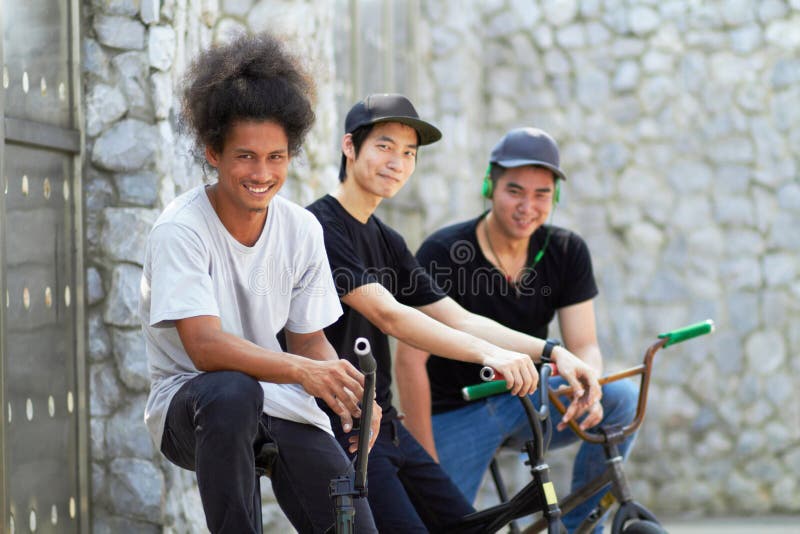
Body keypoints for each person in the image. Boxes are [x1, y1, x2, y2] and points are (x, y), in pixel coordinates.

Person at [306, 94, 601, 533]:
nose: (398, 162)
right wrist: (490, 355)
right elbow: (392, 317)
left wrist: (553, 351)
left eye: (409, 153)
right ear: (350, 147)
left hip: (384, 422)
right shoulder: (320, 227)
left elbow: (457, 317)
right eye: (384, 147)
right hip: (342, 425)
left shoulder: (387, 239)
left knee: (469, 526)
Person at [140, 34, 379, 534]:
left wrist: (348, 391)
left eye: (276, 157)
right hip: (194, 407)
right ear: (212, 151)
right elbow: (204, 348)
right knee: (232, 392)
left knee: (352, 525)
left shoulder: (301, 229)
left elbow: (308, 341)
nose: (262, 173)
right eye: (246, 156)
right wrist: (303, 373)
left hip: (281, 401)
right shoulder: (180, 229)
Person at [395, 127, 639, 533]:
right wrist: (426, 458)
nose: (528, 206)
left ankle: (578, 528)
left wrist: (588, 384)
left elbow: (584, 346)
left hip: (529, 398)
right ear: (489, 186)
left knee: (620, 398)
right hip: (457, 411)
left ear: (555, 197)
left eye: (542, 193)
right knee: (437, 524)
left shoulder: (565, 250)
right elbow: (409, 361)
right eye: (515, 191)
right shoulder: (444, 251)